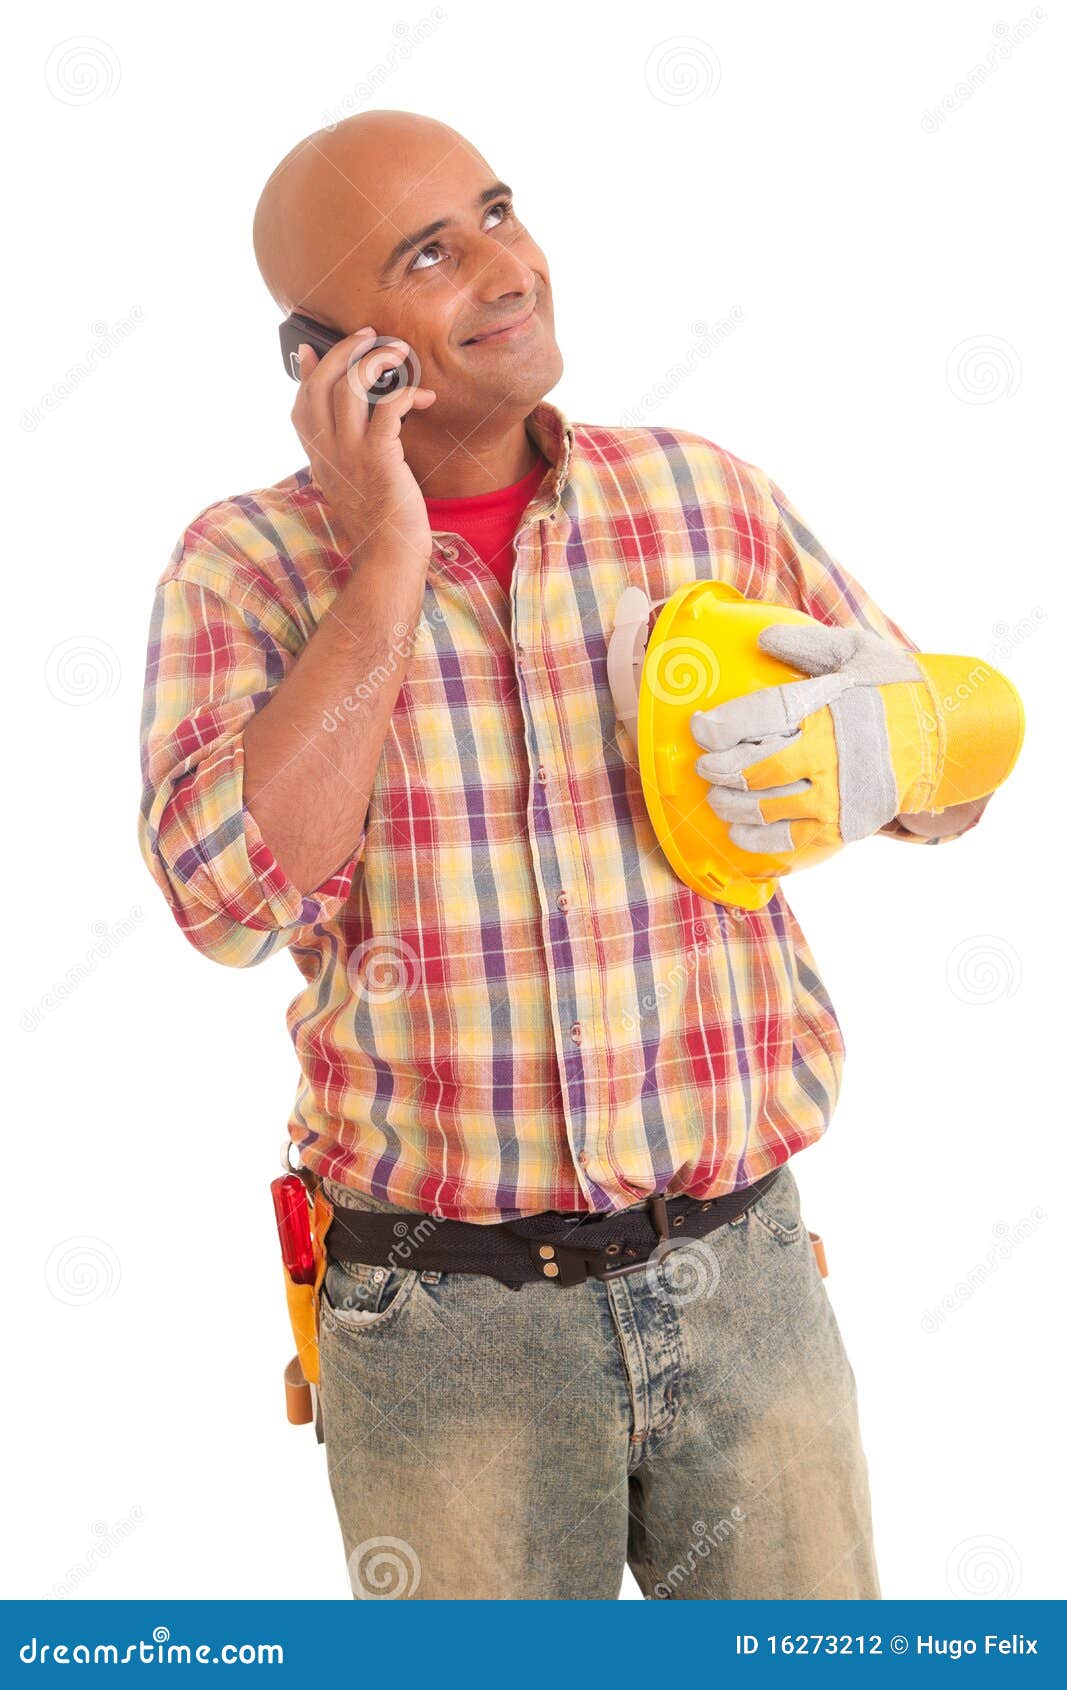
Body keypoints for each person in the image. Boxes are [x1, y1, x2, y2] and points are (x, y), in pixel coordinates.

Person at [137, 109, 994, 1600]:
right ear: (329, 357)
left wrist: (920, 745)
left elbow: (951, 778)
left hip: (746, 1286)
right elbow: (226, 904)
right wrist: (384, 558)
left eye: (498, 212)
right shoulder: (247, 566)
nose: (503, 267)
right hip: (443, 1329)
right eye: (428, 254)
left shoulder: (700, 497)